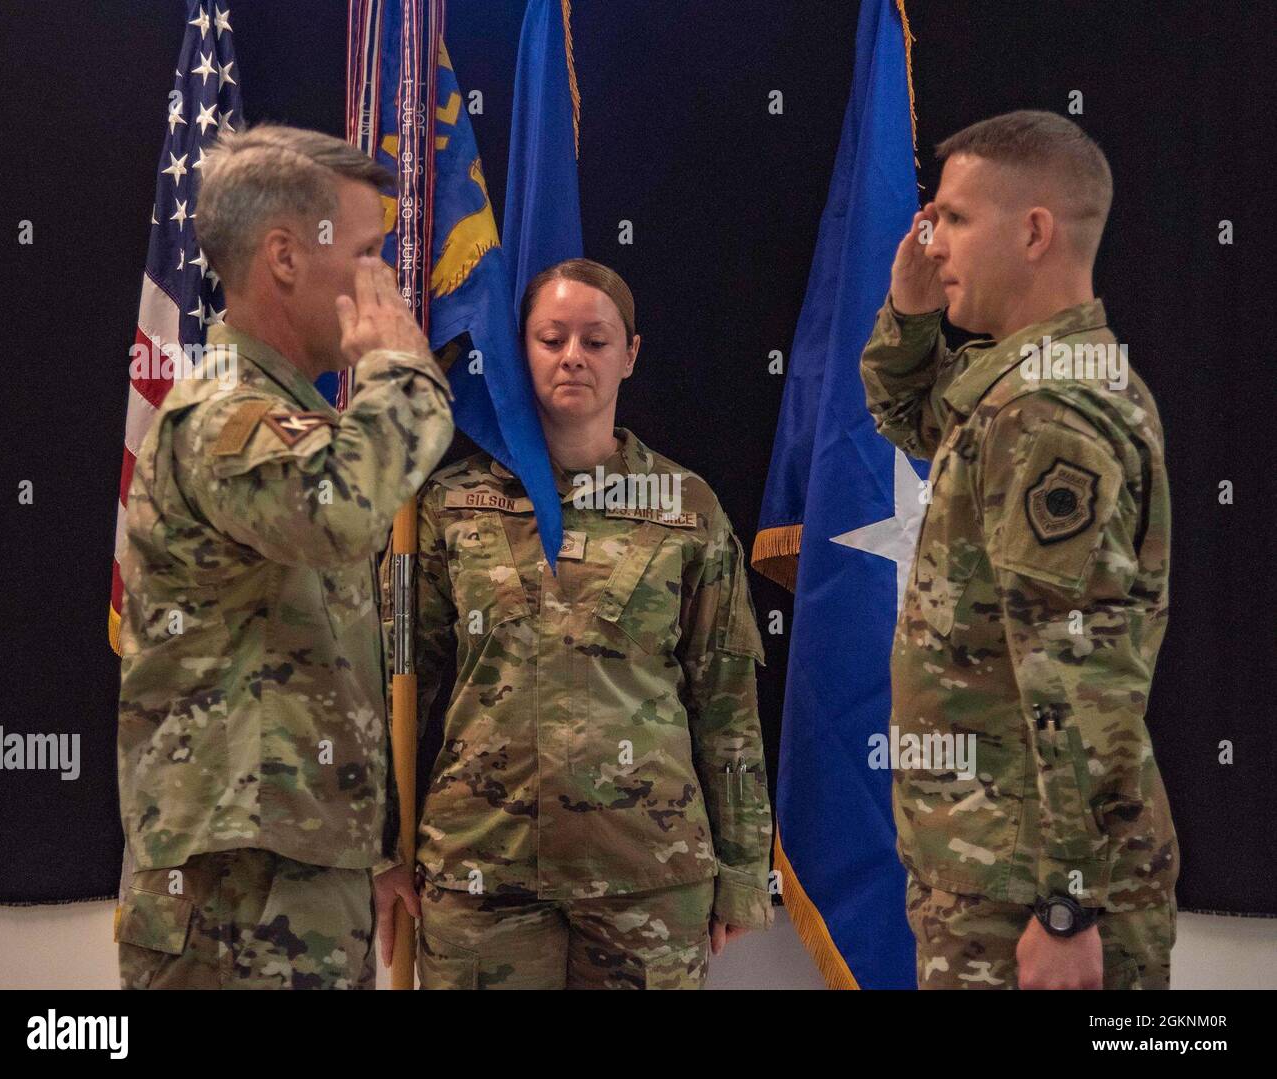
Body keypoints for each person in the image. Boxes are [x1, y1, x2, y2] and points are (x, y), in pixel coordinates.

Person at [115, 125, 455, 989]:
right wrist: (400, 371)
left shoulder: (291, 414)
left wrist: (368, 847)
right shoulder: (226, 413)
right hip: (238, 885)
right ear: (286, 257)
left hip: (293, 866)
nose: (384, 280)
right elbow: (338, 513)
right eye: (369, 252)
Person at [374, 258, 774, 989]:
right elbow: (394, 685)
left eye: (595, 340)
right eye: (550, 337)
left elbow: (726, 702)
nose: (572, 357)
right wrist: (379, 846)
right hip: (481, 869)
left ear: (631, 353)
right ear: (520, 348)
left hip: (645, 875)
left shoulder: (687, 507)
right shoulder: (445, 505)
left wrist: (745, 867)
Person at [860, 110, 1178, 989]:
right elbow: (913, 420)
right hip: (996, 867)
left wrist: (1068, 906)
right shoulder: (1023, 387)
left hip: (1028, 891)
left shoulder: (1051, 411)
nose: (934, 240)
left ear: (1035, 231)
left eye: (955, 219)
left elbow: (1079, 676)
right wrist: (911, 315)